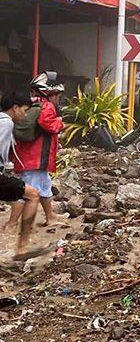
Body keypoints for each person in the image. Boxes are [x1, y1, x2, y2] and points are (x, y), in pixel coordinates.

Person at [9, 72, 65, 228]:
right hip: (36, 158)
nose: (57, 99)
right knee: (25, 191)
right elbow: (49, 125)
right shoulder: (46, 106)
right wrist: (60, 124)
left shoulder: (31, 104)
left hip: (29, 157)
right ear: (50, 94)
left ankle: (50, 216)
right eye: (57, 95)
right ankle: (12, 223)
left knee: (45, 186)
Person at [0, 93, 43, 259]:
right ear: (15, 108)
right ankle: (22, 248)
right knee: (33, 195)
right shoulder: (6, 123)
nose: (25, 115)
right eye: (24, 110)